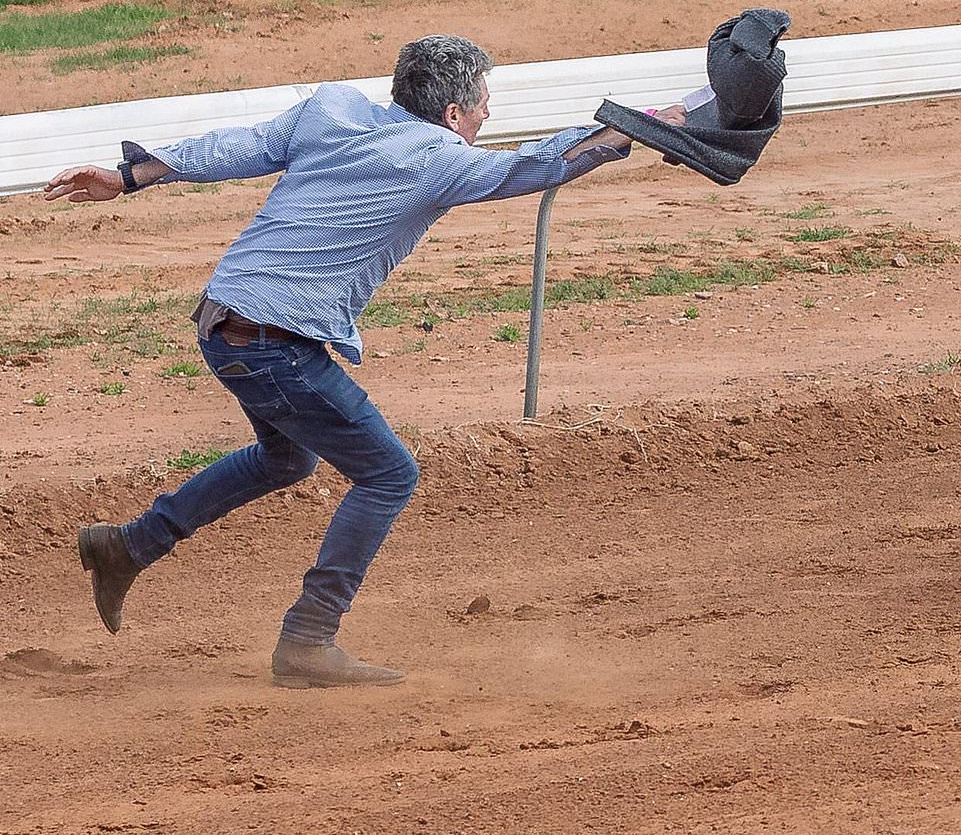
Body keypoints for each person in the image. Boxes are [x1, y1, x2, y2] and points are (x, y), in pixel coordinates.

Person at [43, 35, 687, 689]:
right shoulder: (441, 159)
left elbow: (236, 146)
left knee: (287, 459)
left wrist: (128, 177)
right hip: (270, 346)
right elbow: (541, 165)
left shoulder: (332, 110)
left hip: (225, 320)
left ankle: (127, 546)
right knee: (388, 474)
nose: (488, 115)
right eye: (483, 104)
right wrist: (638, 128)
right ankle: (308, 638)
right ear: (454, 113)